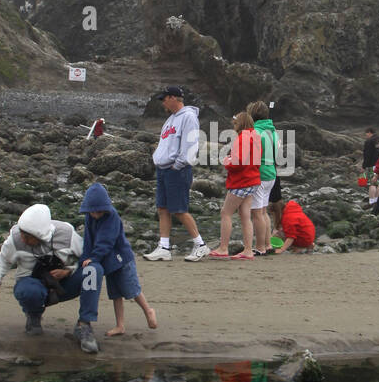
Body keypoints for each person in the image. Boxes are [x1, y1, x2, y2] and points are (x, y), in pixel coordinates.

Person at [0, 202, 96, 347]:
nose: (23, 239)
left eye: (28, 237)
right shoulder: (16, 238)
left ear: (40, 235)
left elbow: (86, 256)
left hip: (64, 284)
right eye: (22, 234)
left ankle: (84, 324)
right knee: (28, 292)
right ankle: (33, 315)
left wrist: (68, 271)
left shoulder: (66, 234)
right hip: (34, 285)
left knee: (93, 270)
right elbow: (4, 260)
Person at [79, 182, 157, 339]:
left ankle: (148, 310)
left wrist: (94, 258)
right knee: (115, 294)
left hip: (122, 259)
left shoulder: (111, 216)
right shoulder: (90, 217)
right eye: (92, 212)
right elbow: (88, 239)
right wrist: (85, 257)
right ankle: (120, 325)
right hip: (107, 262)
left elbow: (105, 241)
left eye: (97, 211)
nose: (94, 215)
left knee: (131, 289)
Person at [144, 86, 210, 262]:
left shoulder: (188, 117)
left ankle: (200, 244)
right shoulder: (171, 119)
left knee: (179, 209)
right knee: (163, 208)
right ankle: (164, 247)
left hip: (176, 170)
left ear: (174, 98)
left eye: (164, 98)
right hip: (164, 168)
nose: (163, 102)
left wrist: (178, 164)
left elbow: (191, 143)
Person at [208, 111, 262, 259]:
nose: (234, 126)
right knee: (245, 216)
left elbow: (238, 163)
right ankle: (248, 250)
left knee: (226, 213)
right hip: (253, 180)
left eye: (235, 123)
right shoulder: (255, 136)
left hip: (241, 182)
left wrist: (227, 160)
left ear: (239, 123)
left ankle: (223, 247)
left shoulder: (243, 137)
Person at [249, 100, 278, 255]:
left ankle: (260, 247)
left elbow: (252, 156)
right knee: (264, 211)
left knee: (257, 213)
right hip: (271, 173)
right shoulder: (273, 131)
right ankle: (267, 244)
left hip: (259, 174)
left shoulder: (255, 132)